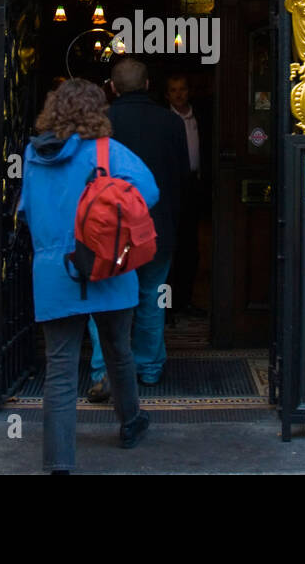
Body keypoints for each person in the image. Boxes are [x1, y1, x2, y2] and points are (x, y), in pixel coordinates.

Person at [18, 78, 159, 473]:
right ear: (98, 111)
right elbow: (149, 192)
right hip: (108, 265)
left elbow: (26, 211)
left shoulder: (32, 154)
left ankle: (59, 463)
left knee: (60, 368)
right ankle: (130, 423)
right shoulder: (107, 151)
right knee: (119, 350)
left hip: (54, 271)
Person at [87, 58, 189, 401]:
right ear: (148, 86)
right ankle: (148, 368)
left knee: (104, 300)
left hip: (108, 232)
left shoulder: (100, 124)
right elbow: (180, 179)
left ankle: (104, 371)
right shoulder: (170, 122)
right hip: (157, 228)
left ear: (113, 88)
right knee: (152, 297)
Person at [165, 72, 206, 318]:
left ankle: (185, 300)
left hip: (194, 184)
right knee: (171, 245)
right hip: (171, 186)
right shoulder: (163, 118)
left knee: (191, 246)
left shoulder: (200, 116)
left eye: (182, 88)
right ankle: (168, 304)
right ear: (167, 94)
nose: (179, 94)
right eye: (173, 90)